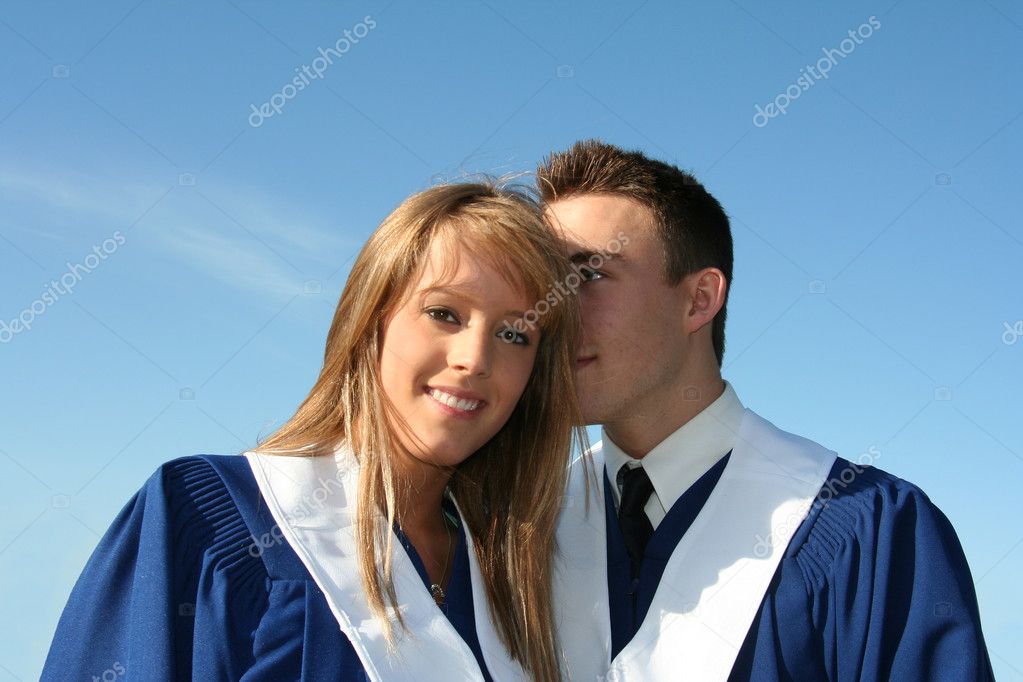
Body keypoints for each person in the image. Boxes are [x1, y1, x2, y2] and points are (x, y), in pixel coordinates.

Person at [41, 181, 583, 681]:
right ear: (371, 321)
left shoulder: (520, 584)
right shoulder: (214, 521)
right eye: (444, 313)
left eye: (515, 333)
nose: (474, 358)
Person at [537, 140, 994, 681]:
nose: (552, 314)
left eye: (589, 276)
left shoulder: (867, 531)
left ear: (700, 299)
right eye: (542, 283)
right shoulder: (526, 524)